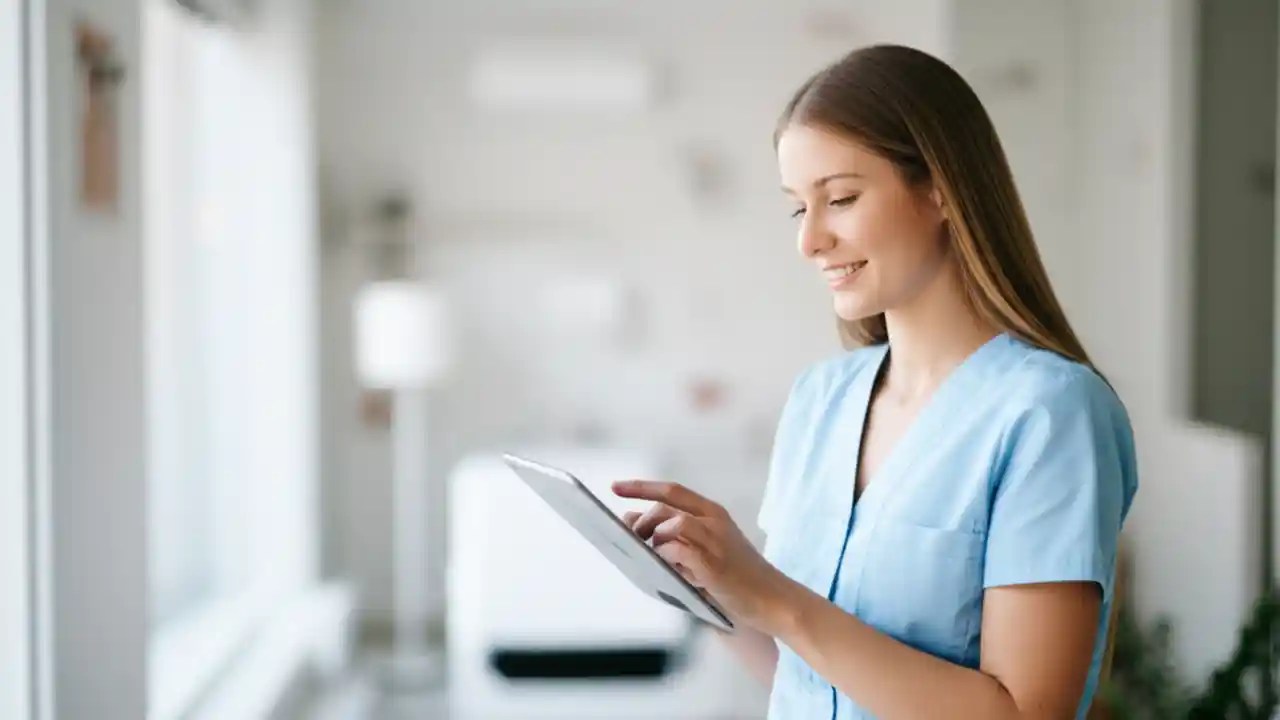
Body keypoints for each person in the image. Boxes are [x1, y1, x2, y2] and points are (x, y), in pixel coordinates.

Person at [612, 44, 1138, 720]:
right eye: (799, 209)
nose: (810, 242)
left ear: (940, 188)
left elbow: (1025, 713)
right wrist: (711, 593)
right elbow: (805, 674)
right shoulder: (819, 399)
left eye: (841, 199)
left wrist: (773, 597)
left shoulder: (1050, 415)